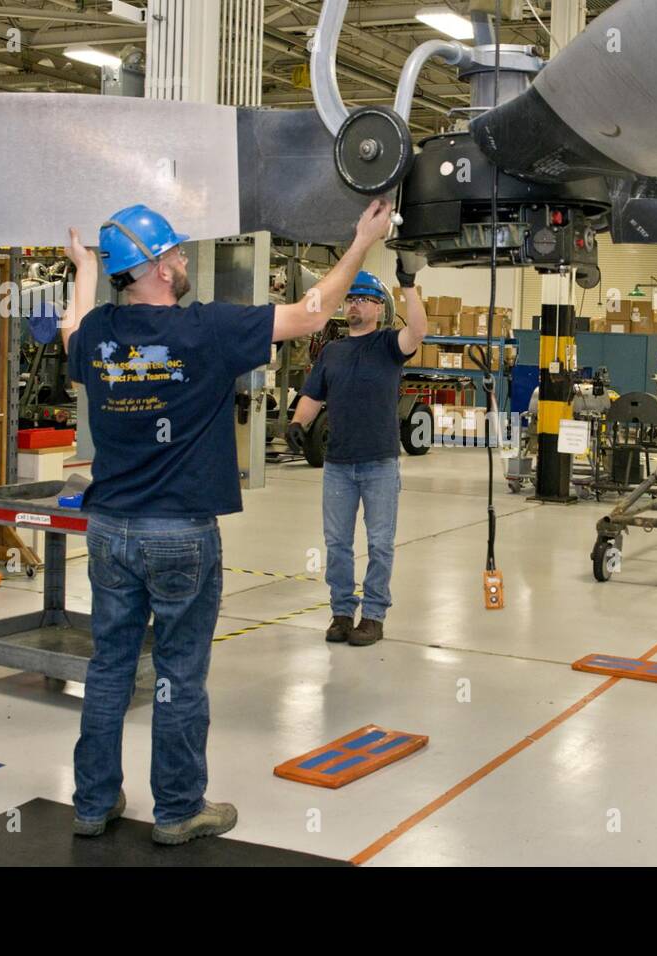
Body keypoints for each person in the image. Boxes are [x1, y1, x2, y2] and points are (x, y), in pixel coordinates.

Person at [60, 198, 393, 844]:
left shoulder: (99, 333)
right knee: (180, 674)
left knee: (108, 669)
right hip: (180, 533)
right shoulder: (204, 331)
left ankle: (92, 802)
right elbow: (310, 313)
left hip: (109, 531)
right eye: (177, 253)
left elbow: (72, 333)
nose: (186, 260)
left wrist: (81, 268)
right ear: (155, 268)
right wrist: (361, 243)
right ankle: (178, 808)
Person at [287, 257, 427, 647]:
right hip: (338, 466)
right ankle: (342, 614)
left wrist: (409, 285)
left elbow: (418, 330)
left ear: (380, 309)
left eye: (364, 299)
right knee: (337, 544)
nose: (354, 306)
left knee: (380, 543)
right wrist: (299, 422)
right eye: (350, 299)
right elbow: (313, 394)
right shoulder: (332, 351)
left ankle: (375, 617)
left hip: (379, 463)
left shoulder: (388, 345)